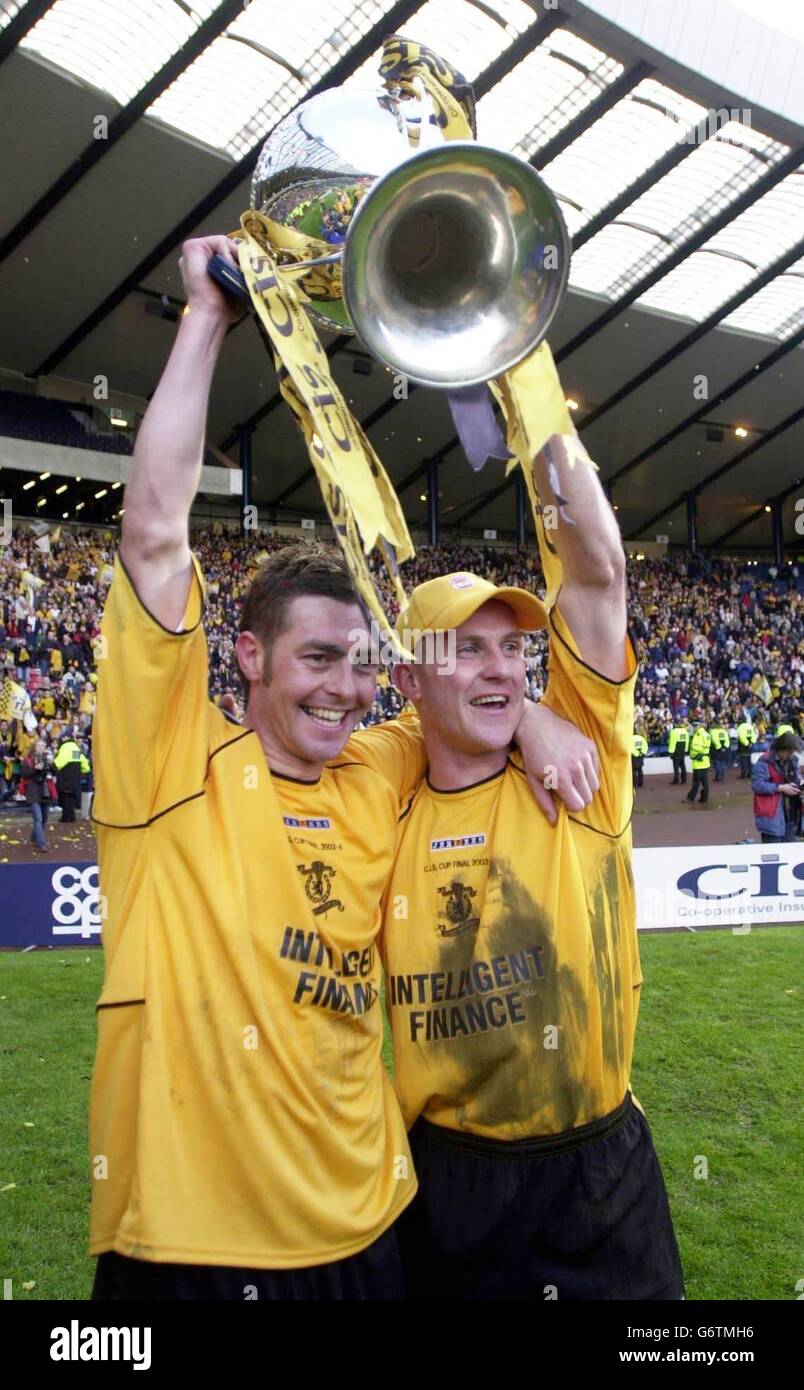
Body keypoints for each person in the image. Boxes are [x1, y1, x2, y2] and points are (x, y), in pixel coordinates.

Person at [89, 233, 596, 1303]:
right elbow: (152, 535)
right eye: (318, 658)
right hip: (191, 1255)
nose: (346, 687)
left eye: (363, 664)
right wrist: (204, 320)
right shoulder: (169, 763)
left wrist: (541, 713)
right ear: (249, 657)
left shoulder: (379, 766)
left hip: (374, 1231)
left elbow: (472, 697)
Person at [381, 433, 684, 1301]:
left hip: (600, 1171)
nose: (500, 670)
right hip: (448, 1179)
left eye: (512, 649)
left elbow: (597, 575)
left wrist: (531, 395)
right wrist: (517, 722)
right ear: (408, 678)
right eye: (467, 651)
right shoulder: (378, 798)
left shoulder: (585, 764)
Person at [751, 732, 802, 843]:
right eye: (789, 752)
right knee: (772, 852)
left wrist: (798, 786)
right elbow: (757, 785)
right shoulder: (764, 762)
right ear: (781, 749)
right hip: (772, 815)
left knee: (789, 852)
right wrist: (780, 788)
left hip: (790, 815)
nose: (791, 755)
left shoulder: (792, 760)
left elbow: (796, 778)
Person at [20, 738, 53, 851]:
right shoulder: (28, 759)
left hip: (45, 791)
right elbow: (24, 774)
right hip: (33, 790)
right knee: (38, 819)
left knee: (44, 819)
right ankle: (41, 844)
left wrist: (51, 762)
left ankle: (34, 837)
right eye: (39, 745)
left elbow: (56, 771)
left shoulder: (46, 758)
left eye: (43, 746)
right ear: (34, 747)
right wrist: (35, 768)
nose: (41, 748)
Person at [53, 729, 90, 822]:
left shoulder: (65, 747)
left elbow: (60, 761)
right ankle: (72, 816)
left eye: (63, 737)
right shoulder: (76, 747)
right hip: (75, 776)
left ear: (66, 737)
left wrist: (53, 766)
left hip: (65, 776)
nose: (62, 738)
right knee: (72, 797)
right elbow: (82, 763)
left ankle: (66, 817)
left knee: (65, 797)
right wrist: (84, 770)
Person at [686, 722, 711, 804]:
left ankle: (691, 797)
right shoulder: (706, 734)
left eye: (695, 726)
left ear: (698, 726)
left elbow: (696, 747)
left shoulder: (698, 735)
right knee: (705, 782)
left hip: (698, 762)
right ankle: (704, 797)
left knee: (696, 782)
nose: (694, 728)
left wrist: (693, 755)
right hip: (705, 761)